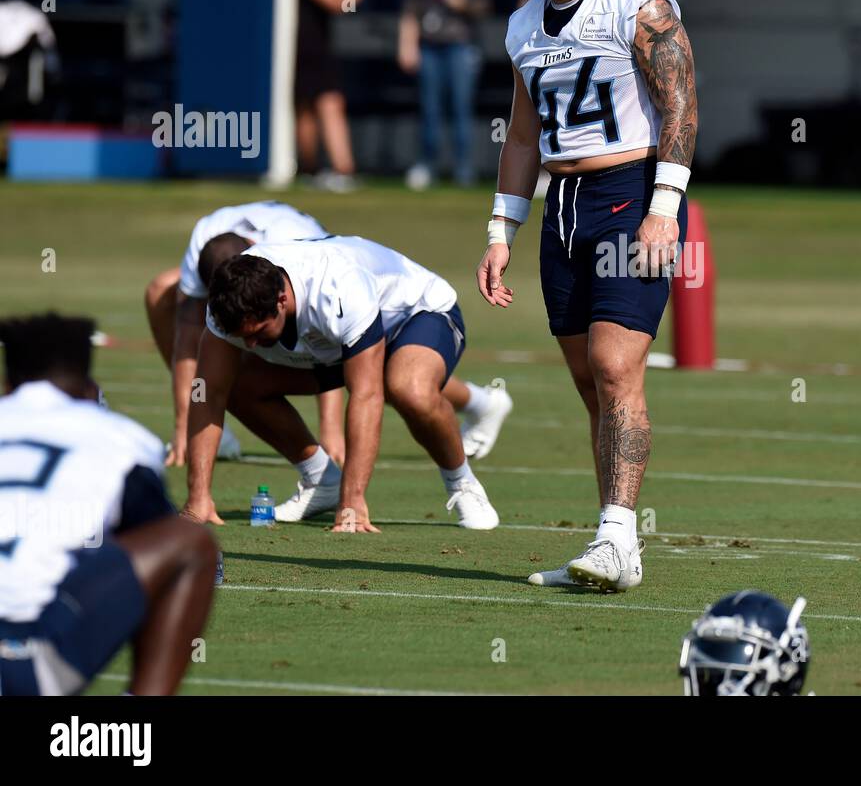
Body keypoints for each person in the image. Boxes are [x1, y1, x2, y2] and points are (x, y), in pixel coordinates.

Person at [480, 0, 697, 591]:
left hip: (629, 191)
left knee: (614, 366)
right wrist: (501, 227)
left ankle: (615, 538)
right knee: (591, 385)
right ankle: (616, 536)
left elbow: (681, 104)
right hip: (562, 205)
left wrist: (664, 206)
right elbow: (520, 134)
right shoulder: (521, 24)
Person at [184, 236, 510, 532]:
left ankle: (462, 482)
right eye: (243, 337)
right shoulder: (225, 303)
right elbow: (203, 391)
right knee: (234, 383)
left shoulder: (337, 289)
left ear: (282, 300)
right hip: (334, 343)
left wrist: (352, 501)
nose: (251, 346)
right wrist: (198, 497)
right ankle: (320, 479)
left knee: (408, 389)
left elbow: (366, 395)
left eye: (258, 333)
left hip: (416, 313)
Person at [0, 313, 217, 695]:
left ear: (7, 385)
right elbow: (147, 541)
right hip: (23, 657)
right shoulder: (121, 440)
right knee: (190, 544)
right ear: (89, 388)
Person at [143, 201, 345, 468]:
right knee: (161, 289)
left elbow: (326, 333)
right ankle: (208, 422)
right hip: (237, 263)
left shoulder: (296, 247)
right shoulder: (204, 238)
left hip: (314, 285)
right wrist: (184, 424)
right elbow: (189, 343)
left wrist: (331, 428)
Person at [296, 0, 391, 193]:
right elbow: (340, 3)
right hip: (309, 49)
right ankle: (342, 170)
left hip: (311, 46)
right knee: (328, 103)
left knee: (309, 108)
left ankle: (310, 171)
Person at [399, 0, 492, 190]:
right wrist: (407, 45)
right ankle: (428, 165)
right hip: (429, 47)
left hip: (460, 47)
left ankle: (464, 168)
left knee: (461, 109)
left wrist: (463, 3)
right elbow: (410, 12)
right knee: (430, 109)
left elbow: (484, 6)